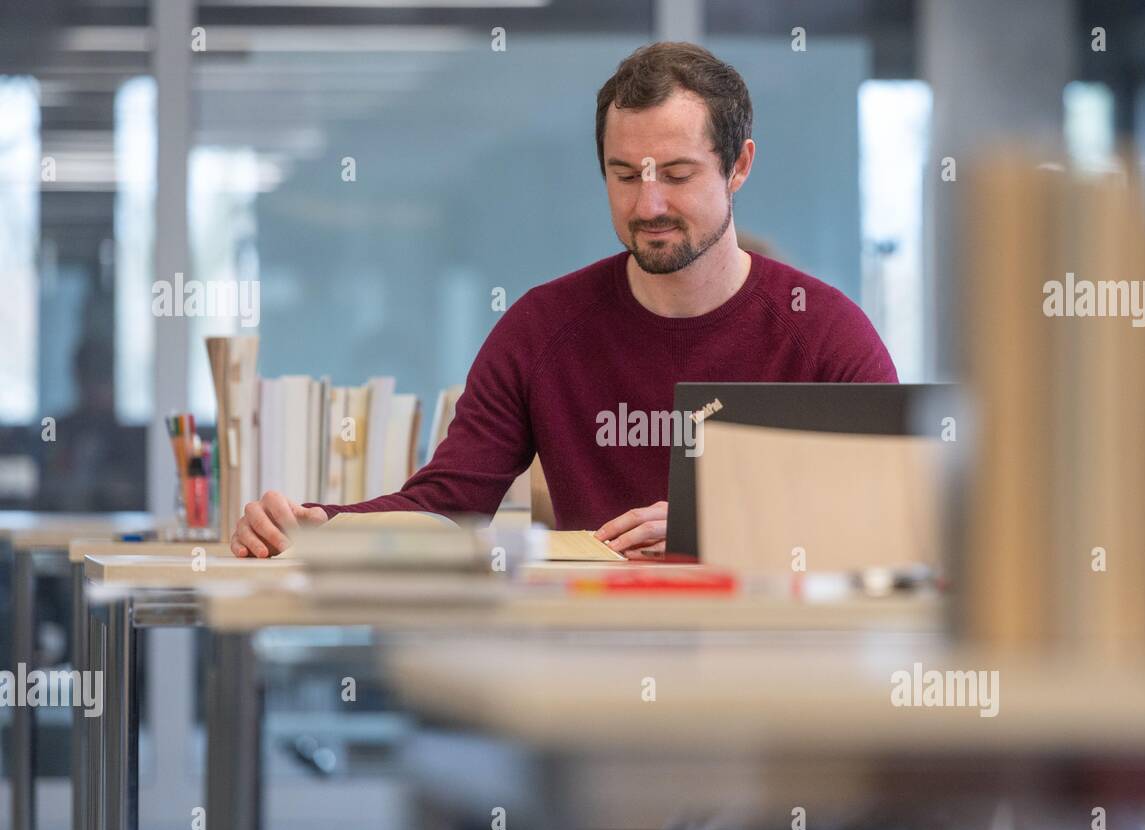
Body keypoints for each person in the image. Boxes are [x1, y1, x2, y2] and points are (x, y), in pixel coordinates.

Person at [232, 41, 896, 560]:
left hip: (782, 677)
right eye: (623, 173)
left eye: (678, 173)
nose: (648, 204)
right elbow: (447, 503)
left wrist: (720, 525)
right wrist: (320, 526)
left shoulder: (826, 333)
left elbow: (894, 519)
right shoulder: (543, 328)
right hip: (594, 675)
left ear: (739, 166)